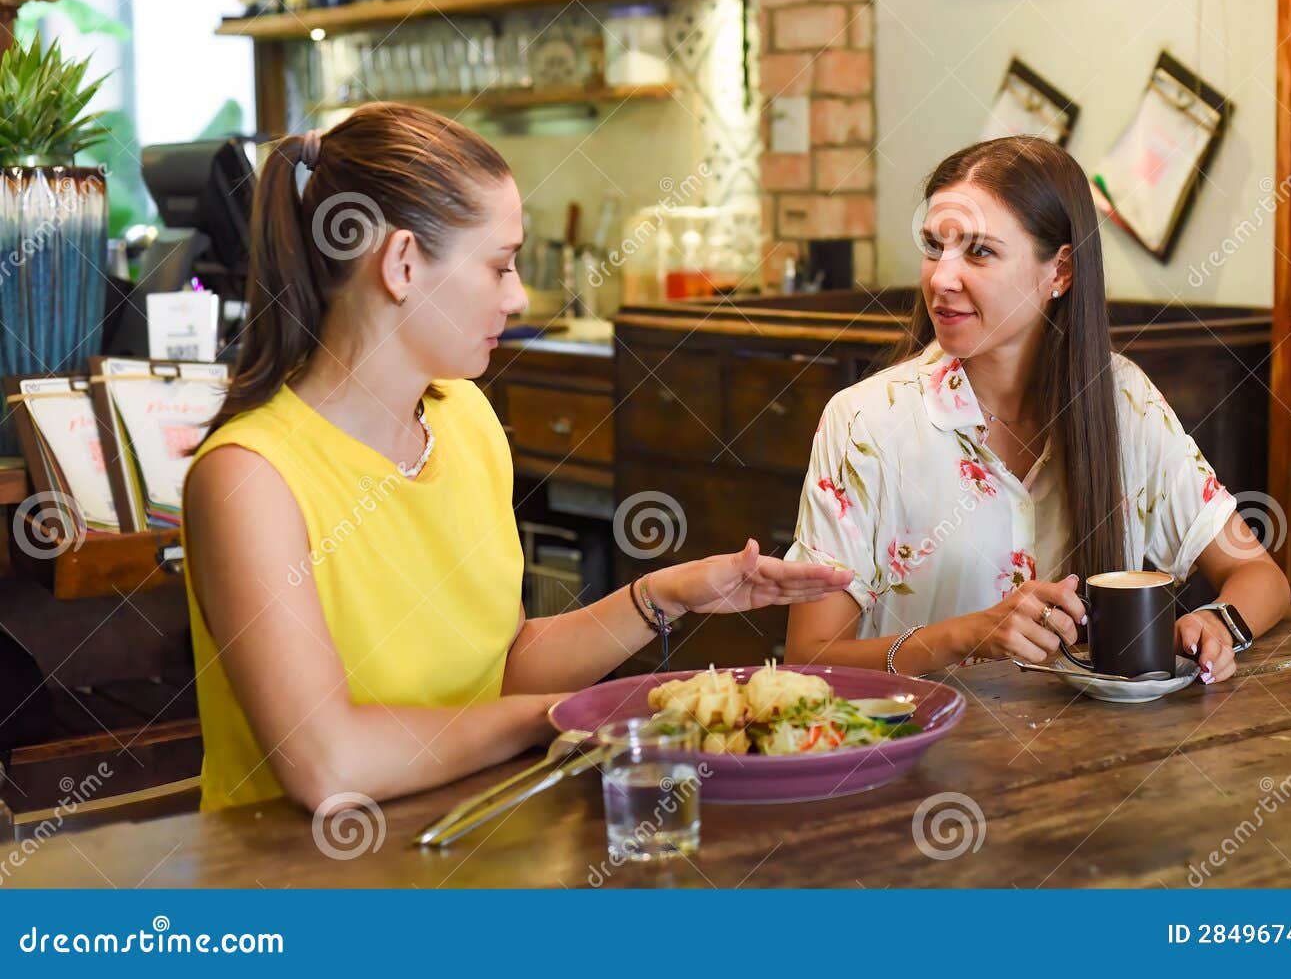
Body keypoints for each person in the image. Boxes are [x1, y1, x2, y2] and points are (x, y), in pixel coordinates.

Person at [182, 104, 852, 813]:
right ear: (403, 264)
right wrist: (557, 719)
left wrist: (666, 595)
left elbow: (499, 669)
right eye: (501, 266)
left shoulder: (465, 419)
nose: (519, 295)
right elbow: (329, 764)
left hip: (471, 839)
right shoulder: (248, 479)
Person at [784, 136, 1288, 682]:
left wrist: (1219, 623)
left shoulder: (1125, 402)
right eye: (934, 247)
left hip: (1099, 756)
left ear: (1060, 272)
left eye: (979, 251)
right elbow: (810, 659)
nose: (941, 278)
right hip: (920, 755)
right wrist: (965, 634)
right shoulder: (864, 423)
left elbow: (1258, 572)